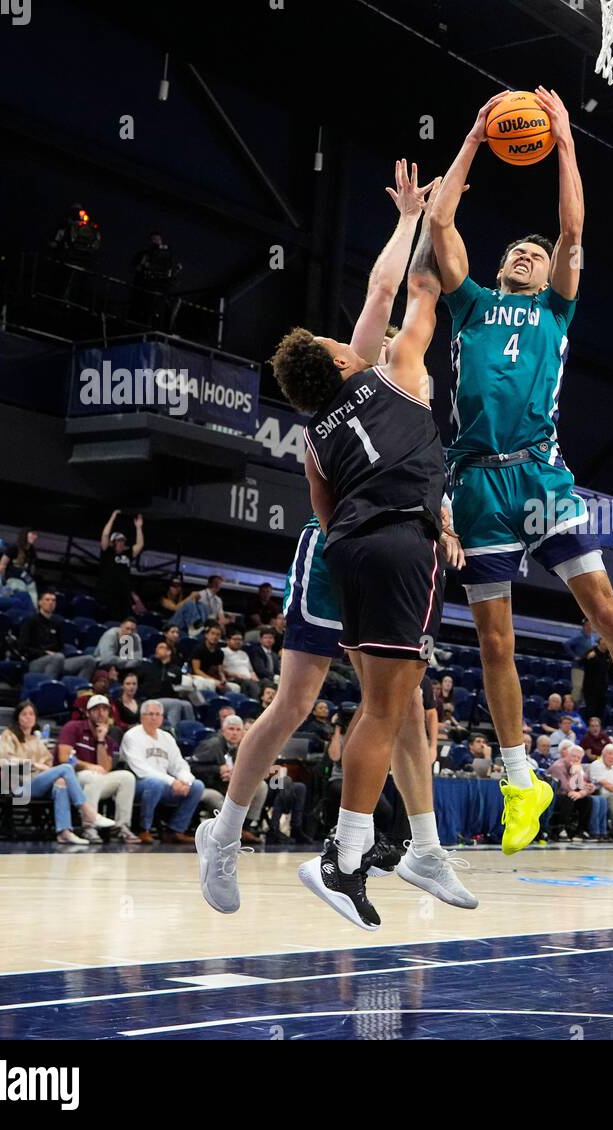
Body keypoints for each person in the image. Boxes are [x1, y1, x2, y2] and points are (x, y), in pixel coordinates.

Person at [426, 91, 613, 856]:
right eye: (518, 249)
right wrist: (476, 139)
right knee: (493, 640)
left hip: (541, 477)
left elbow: (574, 227)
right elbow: (442, 223)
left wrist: (569, 147)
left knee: (607, 612)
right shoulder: (471, 303)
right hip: (476, 480)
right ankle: (522, 782)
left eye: (538, 252)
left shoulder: (555, 310)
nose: (527, 253)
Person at [198, 164, 475, 925]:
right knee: (296, 702)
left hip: (367, 535)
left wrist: (410, 216)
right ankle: (223, 834)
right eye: (340, 339)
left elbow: (392, 292)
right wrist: (423, 217)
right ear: (342, 359)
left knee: (402, 699)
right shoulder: (367, 371)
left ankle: (422, 846)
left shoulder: (353, 393)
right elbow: (394, 293)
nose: (349, 335)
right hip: (338, 550)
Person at [0, 700, 119, 845]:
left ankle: (64, 832)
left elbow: (48, 763)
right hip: (18, 784)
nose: (28, 717)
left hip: (38, 782)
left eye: (31, 714)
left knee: (61, 782)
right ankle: (89, 813)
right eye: (24, 714)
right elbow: (4, 761)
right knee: (66, 768)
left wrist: (47, 771)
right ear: (17, 717)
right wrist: (33, 764)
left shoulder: (36, 740)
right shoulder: (8, 735)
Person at [54, 695, 140, 842]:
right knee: (92, 775)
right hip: (70, 779)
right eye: (96, 709)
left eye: (105, 709)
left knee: (127, 777)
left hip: (94, 782)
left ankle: (122, 826)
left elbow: (105, 768)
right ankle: (89, 827)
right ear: (88, 713)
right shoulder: (73, 727)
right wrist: (90, 766)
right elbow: (64, 758)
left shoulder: (108, 739)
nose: (101, 713)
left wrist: (100, 740)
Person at [120, 701, 205, 844]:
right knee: (154, 784)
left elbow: (179, 764)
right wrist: (172, 781)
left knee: (197, 786)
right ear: (142, 717)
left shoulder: (167, 737)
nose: (154, 717)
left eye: (158, 714)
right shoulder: (132, 736)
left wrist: (185, 781)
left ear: (162, 718)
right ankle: (143, 829)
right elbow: (141, 769)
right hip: (137, 783)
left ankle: (175, 830)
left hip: (165, 783)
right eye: (150, 714)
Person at [191, 715, 268, 845]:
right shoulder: (212, 745)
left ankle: (245, 828)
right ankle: (229, 831)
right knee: (217, 799)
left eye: (238, 729)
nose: (234, 733)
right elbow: (192, 767)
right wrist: (217, 770)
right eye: (231, 729)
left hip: (229, 786)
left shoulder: (242, 746)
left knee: (261, 785)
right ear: (223, 730)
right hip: (209, 786)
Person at [18, 591, 99, 680]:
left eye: (53, 600)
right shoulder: (30, 622)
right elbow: (23, 647)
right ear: (40, 602)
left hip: (58, 660)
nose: (51, 603)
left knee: (89, 660)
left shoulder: (57, 624)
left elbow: (61, 647)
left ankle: (80, 690)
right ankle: (48, 689)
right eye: (47, 600)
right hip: (35, 661)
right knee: (57, 657)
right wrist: (44, 653)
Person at [135, 640, 197, 728]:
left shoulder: (176, 670)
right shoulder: (148, 666)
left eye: (161, 647)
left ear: (169, 652)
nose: (157, 650)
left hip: (171, 698)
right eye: (156, 648)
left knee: (187, 704)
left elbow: (178, 687)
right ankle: (172, 731)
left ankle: (191, 730)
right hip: (153, 699)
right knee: (176, 704)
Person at [97, 511, 143, 619]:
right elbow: (105, 535)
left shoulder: (127, 554)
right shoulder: (107, 552)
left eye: (123, 541)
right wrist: (112, 518)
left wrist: (138, 527)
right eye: (119, 540)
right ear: (112, 542)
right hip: (108, 592)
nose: (122, 543)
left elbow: (140, 545)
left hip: (124, 594)